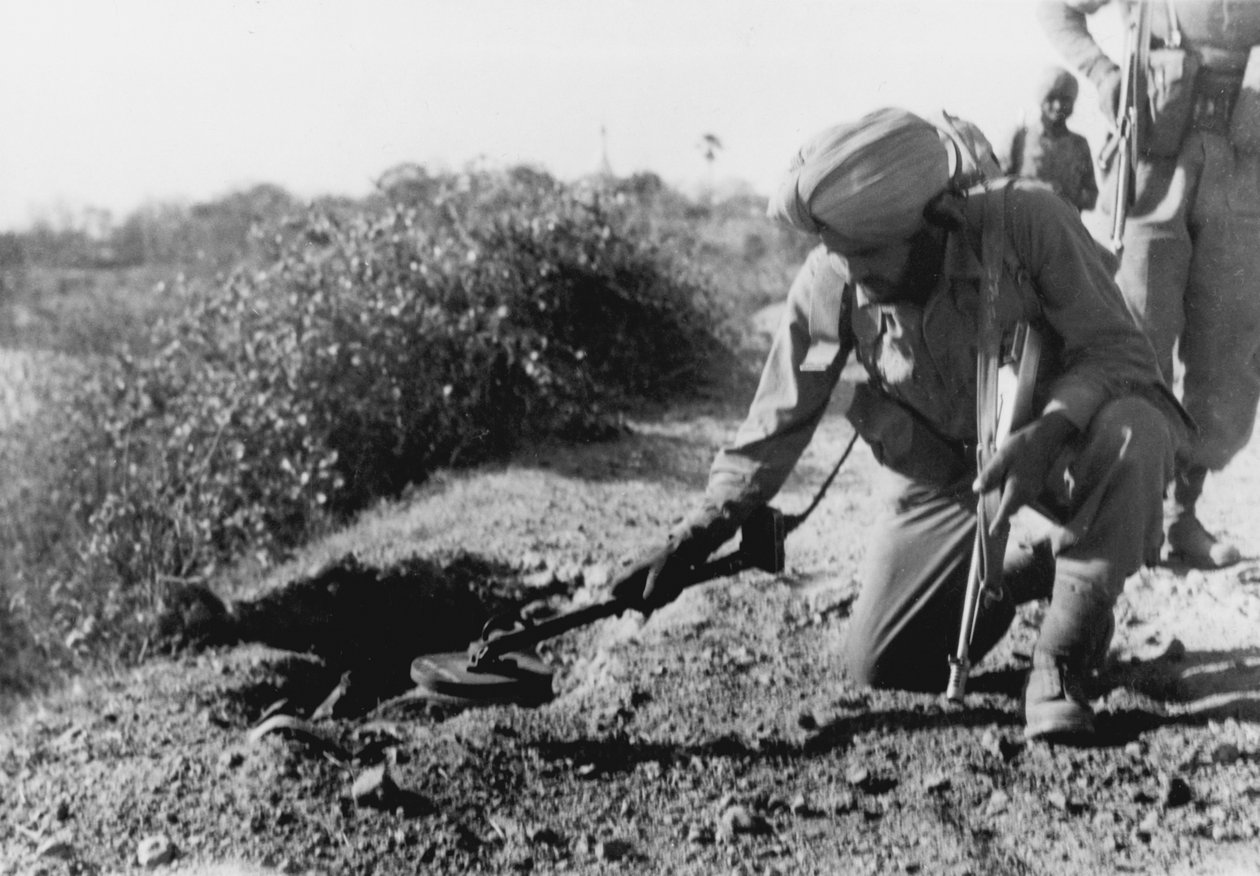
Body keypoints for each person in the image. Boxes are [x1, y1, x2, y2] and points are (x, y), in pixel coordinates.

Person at [615, 108, 1184, 742]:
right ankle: (1042, 566)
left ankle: (1065, 657)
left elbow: (1121, 354)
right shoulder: (831, 278)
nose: (852, 272)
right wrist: (693, 538)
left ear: (937, 223)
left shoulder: (1028, 221)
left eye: (867, 254)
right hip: (947, 471)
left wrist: (1049, 429)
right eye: (838, 254)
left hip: (1051, 448)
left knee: (1137, 429)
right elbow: (774, 423)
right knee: (884, 662)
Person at [1038, 0, 1260, 568]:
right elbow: (1057, 9)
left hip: (1243, 174)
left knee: (1227, 352)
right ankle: (1132, 516)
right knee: (1137, 339)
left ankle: (1183, 514)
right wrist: (1102, 72)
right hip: (1153, 168)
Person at [1003, 66, 1100, 212]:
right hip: (1025, 221)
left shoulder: (1079, 145)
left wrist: (1065, 194)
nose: (1058, 106)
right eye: (1052, 97)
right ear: (1041, 99)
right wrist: (1036, 190)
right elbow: (998, 183)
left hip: (1064, 223)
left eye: (1065, 99)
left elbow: (1091, 197)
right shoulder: (1020, 138)